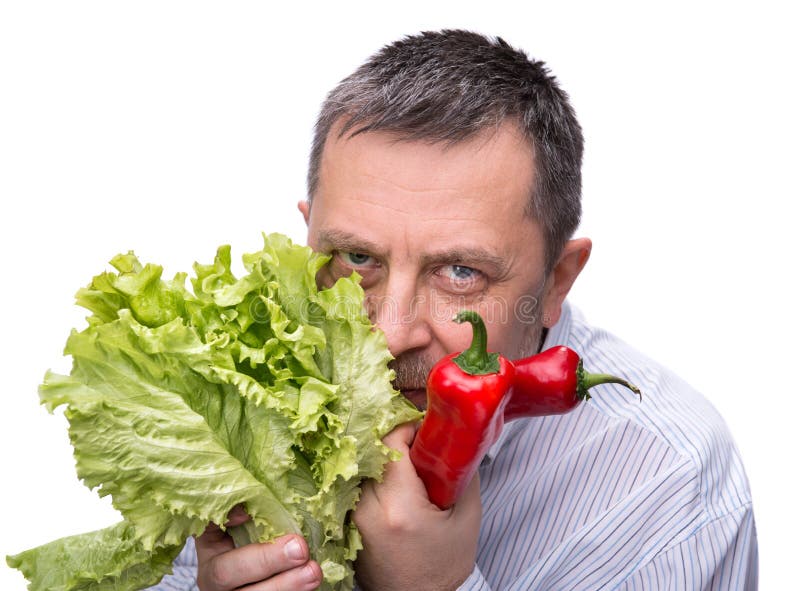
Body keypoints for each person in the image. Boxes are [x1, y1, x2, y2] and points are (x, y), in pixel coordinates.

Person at [152, 29, 758, 590]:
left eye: (461, 272)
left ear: (557, 279)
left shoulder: (672, 490)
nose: (389, 334)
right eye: (357, 258)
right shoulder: (231, 398)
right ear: (307, 240)